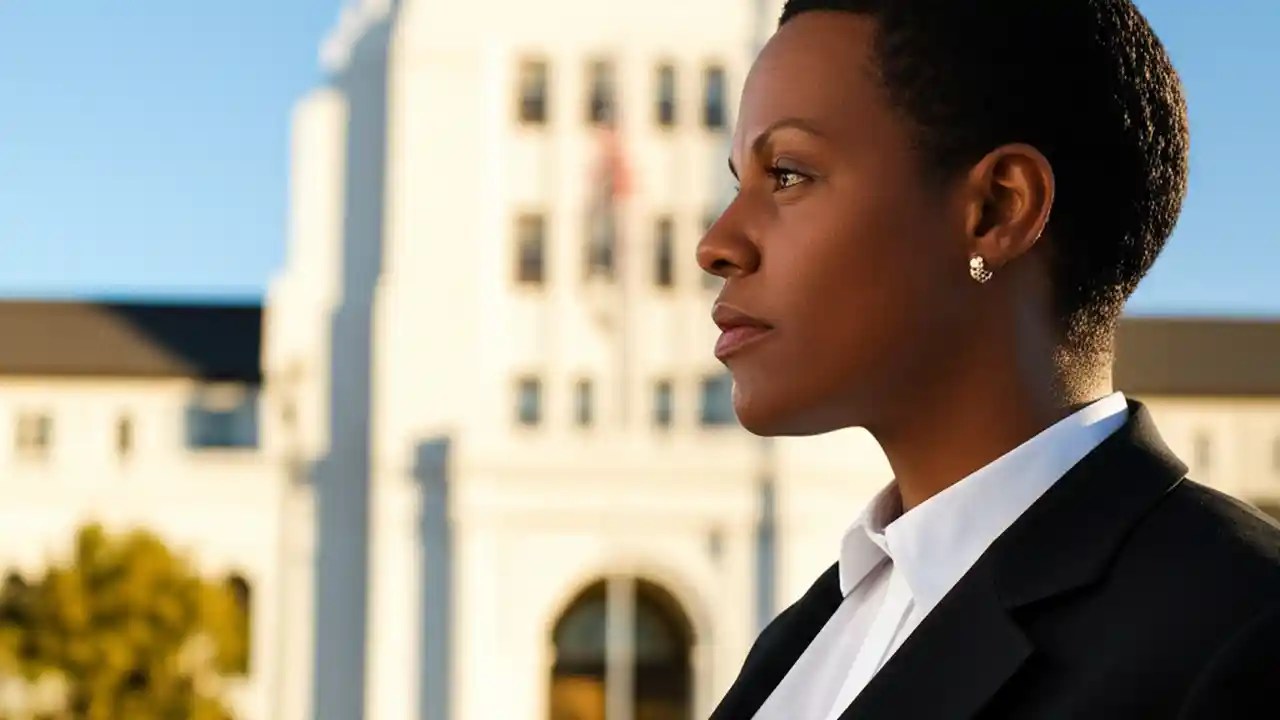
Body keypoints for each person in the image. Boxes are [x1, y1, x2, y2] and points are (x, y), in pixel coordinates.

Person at [696, 1, 1280, 718]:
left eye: (787, 174)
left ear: (999, 209)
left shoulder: (1242, 637)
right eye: (739, 184)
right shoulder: (803, 639)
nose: (716, 245)